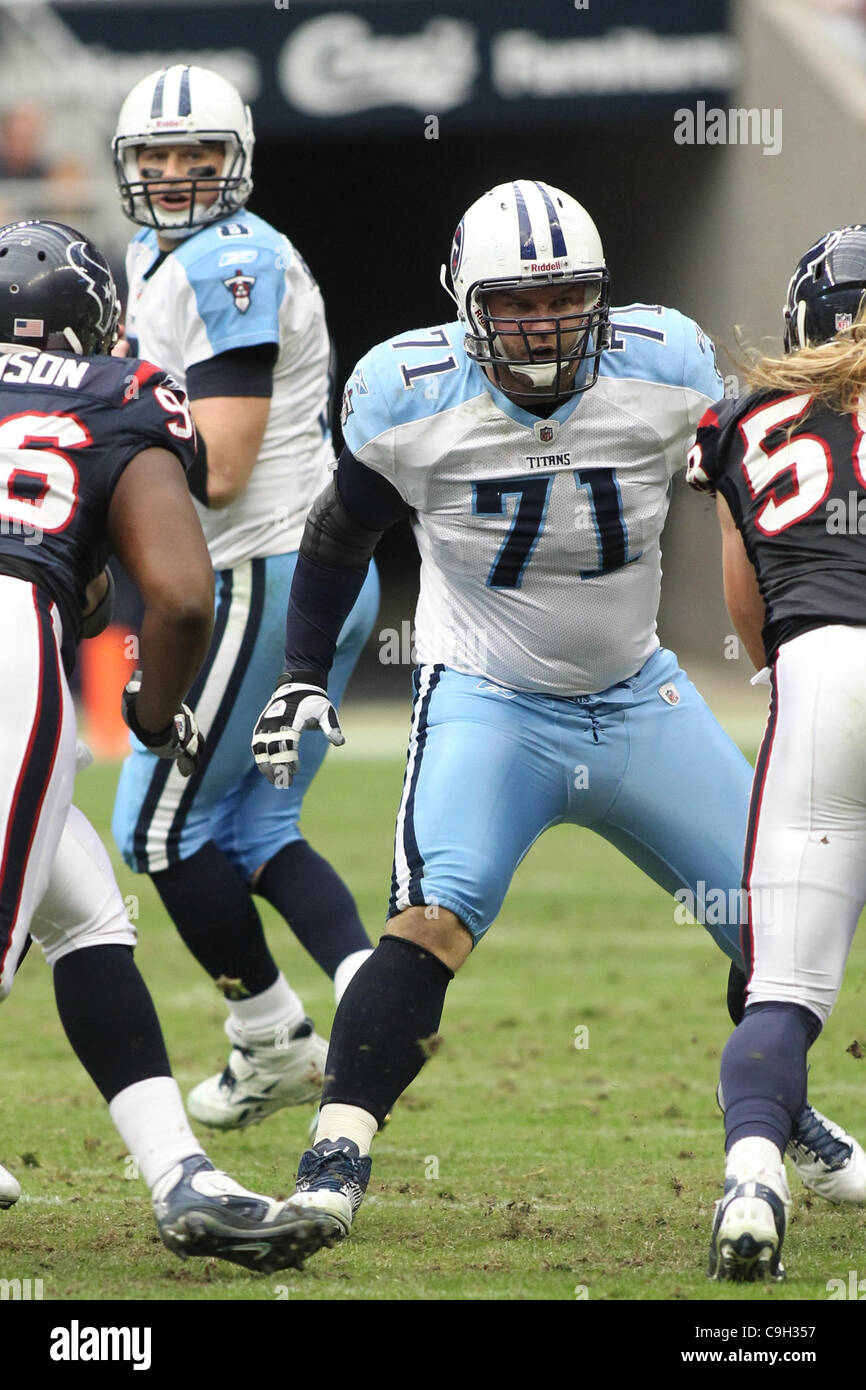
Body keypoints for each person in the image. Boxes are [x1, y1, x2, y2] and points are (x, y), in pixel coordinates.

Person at [249, 181, 866, 1249]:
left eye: (567, 298)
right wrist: (305, 669)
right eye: (518, 304)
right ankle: (332, 1160)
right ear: (462, 304)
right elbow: (338, 530)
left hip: (639, 693)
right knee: (430, 918)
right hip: (489, 699)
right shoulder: (407, 388)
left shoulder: (663, 363)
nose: (544, 324)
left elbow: (761, 484)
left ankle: (779, 1120)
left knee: (773, 924)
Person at [0, 218, 329, 1271]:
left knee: (86, 910)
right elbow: (183, 598)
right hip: (9, 641)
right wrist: (149, 708)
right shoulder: (119, 391)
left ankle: (181, 1173)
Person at [109, 65, 380, 1130]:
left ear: (239, 160)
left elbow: (218, 465)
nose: (176, 177)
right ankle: (371, 985)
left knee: (160, 831)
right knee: (257, 822)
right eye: (156, 161)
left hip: (260, 575)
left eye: (199, 157)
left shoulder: (231, 260)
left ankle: (269, 1036)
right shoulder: (161, 251)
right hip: (297, 571)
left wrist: (104, 447)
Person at [688, 224, 866, 1280]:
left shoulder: (742, 420)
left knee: (782, 993)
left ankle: (752, 1181)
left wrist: (784, 685)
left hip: (820, 671)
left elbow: (746, 610)